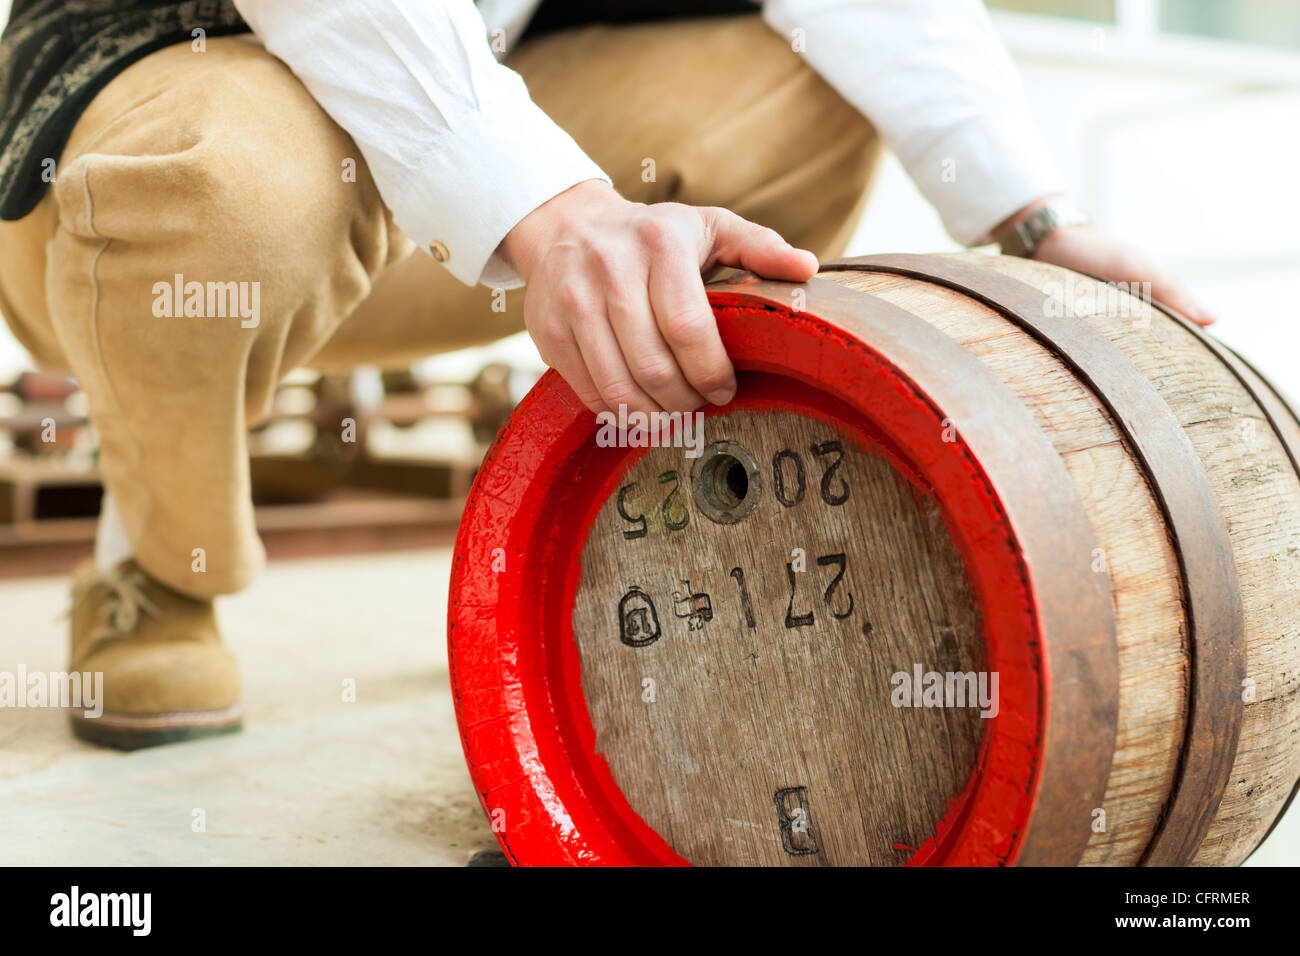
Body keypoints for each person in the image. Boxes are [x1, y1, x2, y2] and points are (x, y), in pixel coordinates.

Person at [0, 0, 1213, 749]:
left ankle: (589, 507)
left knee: (804, 84)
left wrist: (1034, 219)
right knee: (230, 184)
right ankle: (155, 567)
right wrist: (548, 205)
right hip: (143, 157)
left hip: (420, 182)